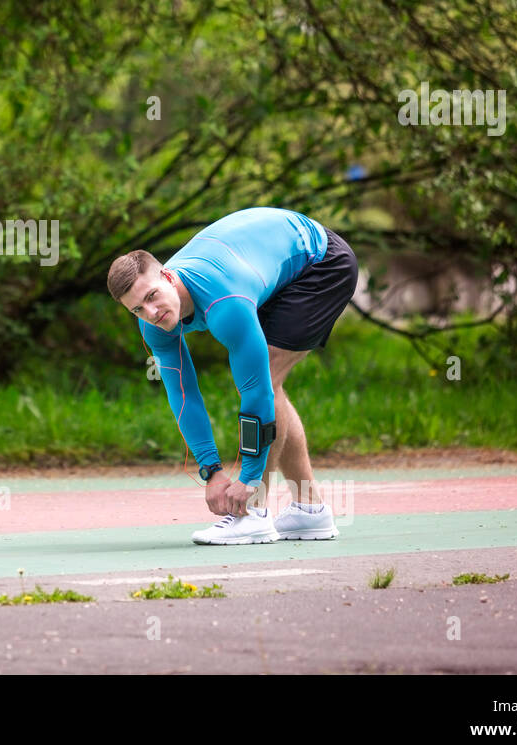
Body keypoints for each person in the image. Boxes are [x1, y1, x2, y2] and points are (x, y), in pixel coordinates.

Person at [106, 206, 358, 544]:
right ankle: (309, 509)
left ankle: (252, 511)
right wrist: (212, 471)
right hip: (265, 261)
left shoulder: (226, 302)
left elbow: (257, 394)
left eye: (152, 297)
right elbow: (183, 393)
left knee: (266, 376)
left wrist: (248, 478)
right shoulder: (153, 323)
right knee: (270, 381)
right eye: (137, 308)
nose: (151, 313)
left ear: (167, 276)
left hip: (320, 261)